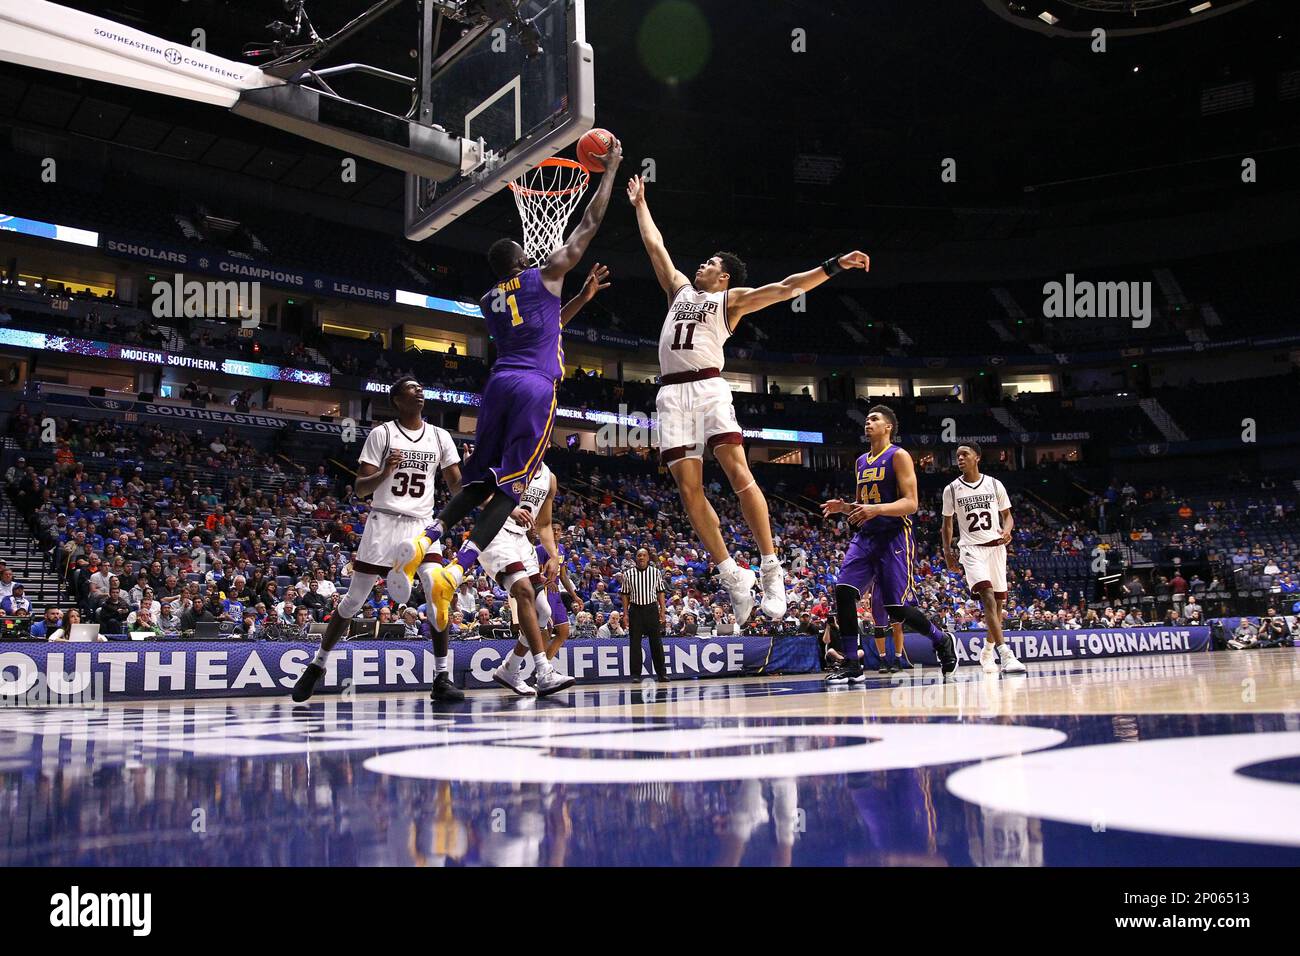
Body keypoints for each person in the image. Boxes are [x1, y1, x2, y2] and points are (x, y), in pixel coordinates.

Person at [398, 140, 624, 630]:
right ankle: (458, 568)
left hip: (498, 382)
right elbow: (587, 228)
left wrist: (581, 299)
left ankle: (431, 535)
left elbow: (544, 326)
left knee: (479, 474)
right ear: (523, 256)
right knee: (512, 481)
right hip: (534, 387)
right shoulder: (544, 275)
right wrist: (609, 174)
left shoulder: (488, 298)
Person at [626, 171, 870, 625]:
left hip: (708, 387)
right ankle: (732, 575)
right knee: (687, 489)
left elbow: (784, 288)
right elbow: (656, 249)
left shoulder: (731, 300)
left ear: (724, 276)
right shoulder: (679, 292)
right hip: (671, 395)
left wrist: (833, 265)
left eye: (708, 263)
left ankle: (771, 566)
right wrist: (641, 204)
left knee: (738, 471)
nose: (700, 266)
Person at [293, 376, 464, 704]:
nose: (420, 392)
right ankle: (317, 666)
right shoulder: (382, 434)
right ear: (397, 400)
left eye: (421, 388)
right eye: (412, 389)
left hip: (421, 526)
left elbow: (457, 487)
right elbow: (360, 489)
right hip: (383, 522)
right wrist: (385, 472)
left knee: (436, 588)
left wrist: (470, 473)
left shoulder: (441, 436)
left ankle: (441, 676)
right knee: (355, 599)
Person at [820, 407, 959, 682]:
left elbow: (911, 503)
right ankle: (851, 663)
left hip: (894, 536)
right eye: (867, 419)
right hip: (866, 536)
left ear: (889, 427)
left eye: (874, 420)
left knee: (895, 608)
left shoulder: (899, 455)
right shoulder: (861, 461)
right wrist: (846, 507)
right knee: (844, 591)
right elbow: (864, 507)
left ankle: (941, 640)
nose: (868, 423)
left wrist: (877, 510)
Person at [482, 463, 576, 697]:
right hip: (495, 532)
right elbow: (479, 495)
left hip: (522, 541)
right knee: (524, 592)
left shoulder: (549, 478)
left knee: (543, 613)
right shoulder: (508, 460)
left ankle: (510, 668)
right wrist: (509, 510)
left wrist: (554, 556)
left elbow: (544, 524)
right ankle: (544, 670)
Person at [940, 443, 1026, 675]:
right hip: (971, 549)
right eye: (957, 456)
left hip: (996, 548)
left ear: (977, 457)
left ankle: (987, 652)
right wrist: (948, 553)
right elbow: (947, 525)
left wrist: (1007, 530)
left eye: (964, 454)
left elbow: (1008, 517)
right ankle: (1005, 654)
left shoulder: (994, 484)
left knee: (998, 606)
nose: (960, 458)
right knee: (987, 598)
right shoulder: (952, 489)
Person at [619, 547, 670, 682]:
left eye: (644, 555)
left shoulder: (655, 572)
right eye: (639, 555)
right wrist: (625, 614)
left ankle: (661, 673)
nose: (641, 557)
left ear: (648, 557)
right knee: (635, 643)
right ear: (636, 558)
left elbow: (660, 592)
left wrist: (662, 611)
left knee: (656, 643)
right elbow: (624, 595)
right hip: (635, 610)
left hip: (651, 609)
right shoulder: (628, 574)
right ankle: (635, 675)